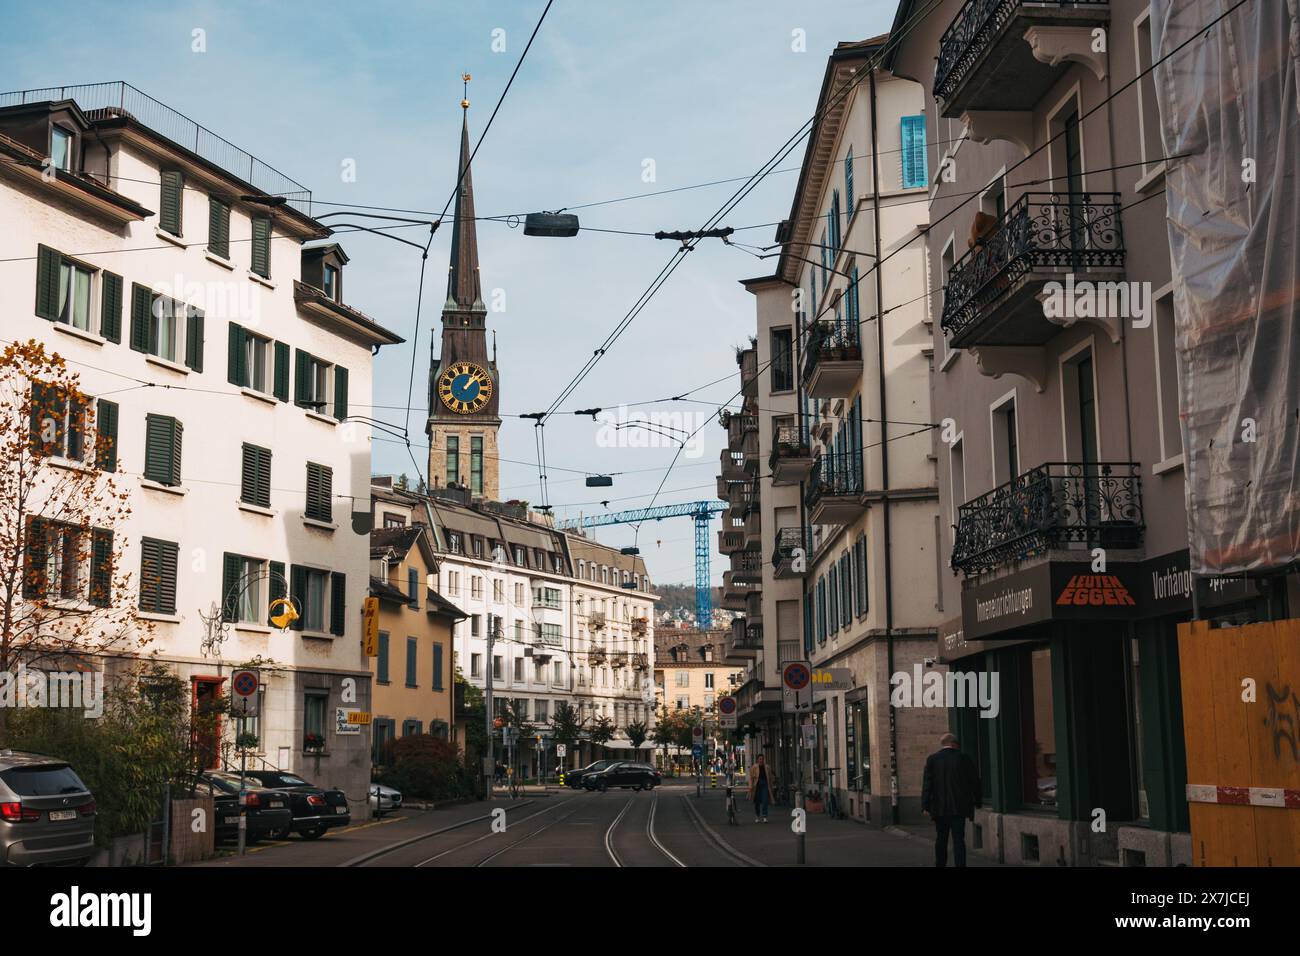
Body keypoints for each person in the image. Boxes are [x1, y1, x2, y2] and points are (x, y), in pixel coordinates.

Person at [921, 733, 982, 867]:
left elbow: (927, 784)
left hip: (939, 808)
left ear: (943, 744)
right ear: (954, 744)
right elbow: (974, 782)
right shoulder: (963, 758)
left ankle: (940, 864)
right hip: (959, 808)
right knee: (959, 840)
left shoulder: (932, 759)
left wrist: (925, 805)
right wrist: (978, 801)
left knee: (941, 839)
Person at [747, 753, 772, 822]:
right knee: (757, 801)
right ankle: (757, 816)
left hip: (764, 785)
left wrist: (771, 786)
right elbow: (751, 778)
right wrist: (750, 786)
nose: (761, 760)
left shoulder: (767, 767)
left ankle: (765, 816)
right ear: (757, 760)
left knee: (765, 800)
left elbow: (770, 778)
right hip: (757, 785)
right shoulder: (754, 767)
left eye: (762, 759)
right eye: (760, 759)